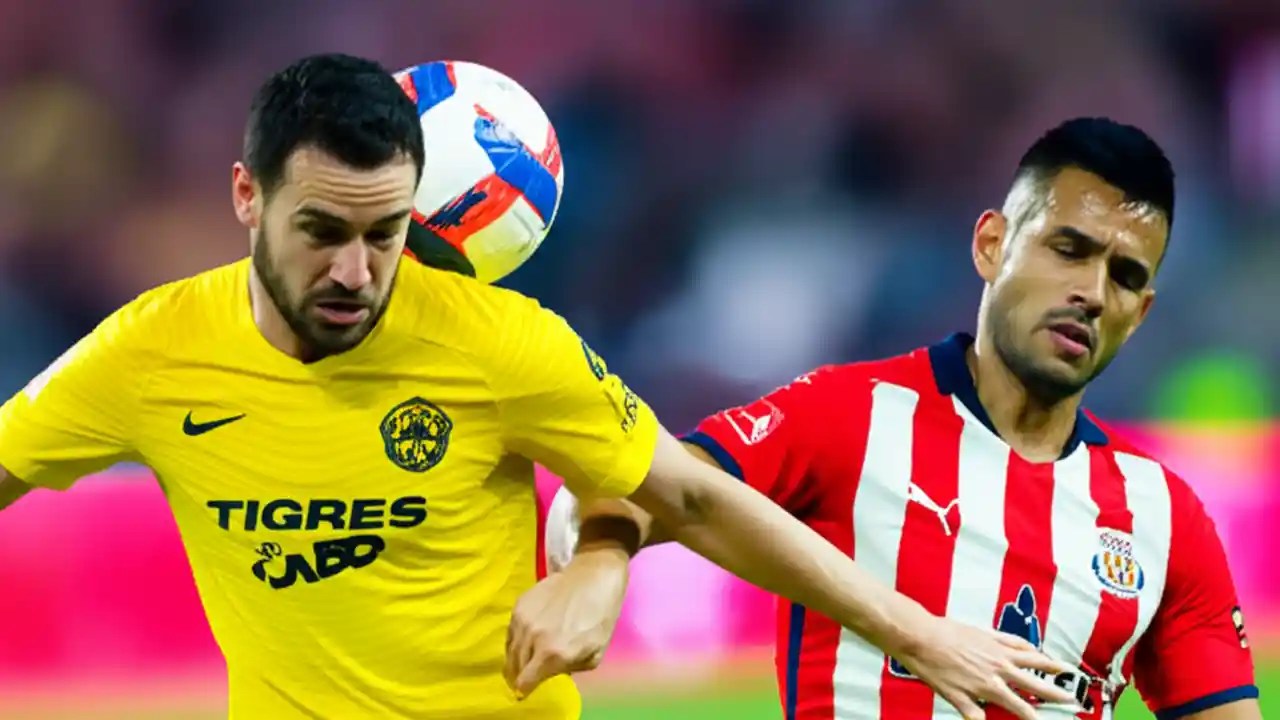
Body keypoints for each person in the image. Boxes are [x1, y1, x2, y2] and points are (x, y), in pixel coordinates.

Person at [0, 54, 1073, 720]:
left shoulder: (495, 340)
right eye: (321, 233)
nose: (355, 273)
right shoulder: (150, 352)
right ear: (247, 197)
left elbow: (685, 489)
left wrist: (919, 637)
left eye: (384, 235)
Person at [521, 117, 1262, 720]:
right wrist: (599, 563)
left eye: (1125, 277)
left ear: (1142, 313)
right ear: (992, 244)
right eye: (1068, 250)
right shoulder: (852, 416)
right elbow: (647, 487)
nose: (1092, 292)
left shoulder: (1163, 518)